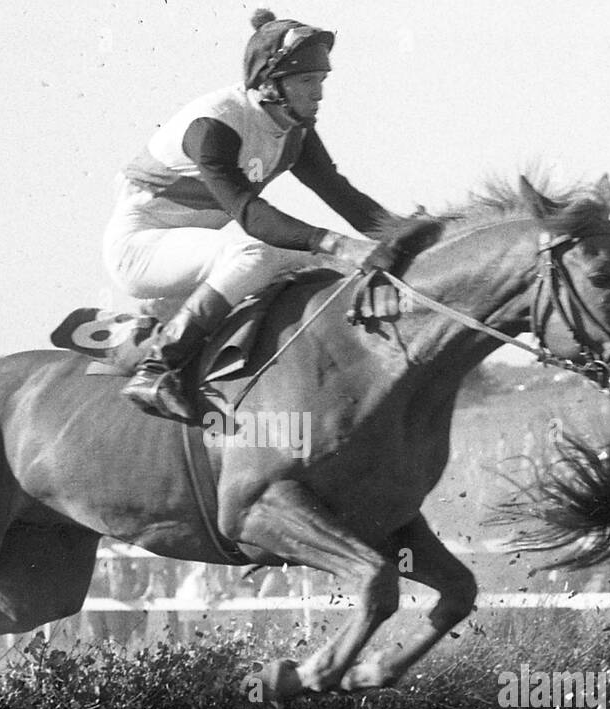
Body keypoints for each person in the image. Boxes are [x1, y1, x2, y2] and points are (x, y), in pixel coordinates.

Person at [105, 9, 404, 422]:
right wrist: (338, 242)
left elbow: (338, 193)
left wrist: (405, 235)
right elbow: (250, 213)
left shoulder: (293, 127)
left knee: (314, 263)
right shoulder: (214, 126)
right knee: (258, 253)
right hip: (141, 248)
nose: (318, 94)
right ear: (268, 82)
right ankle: (157, 367)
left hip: (201, 252)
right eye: (306, 82)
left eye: (320, 81)